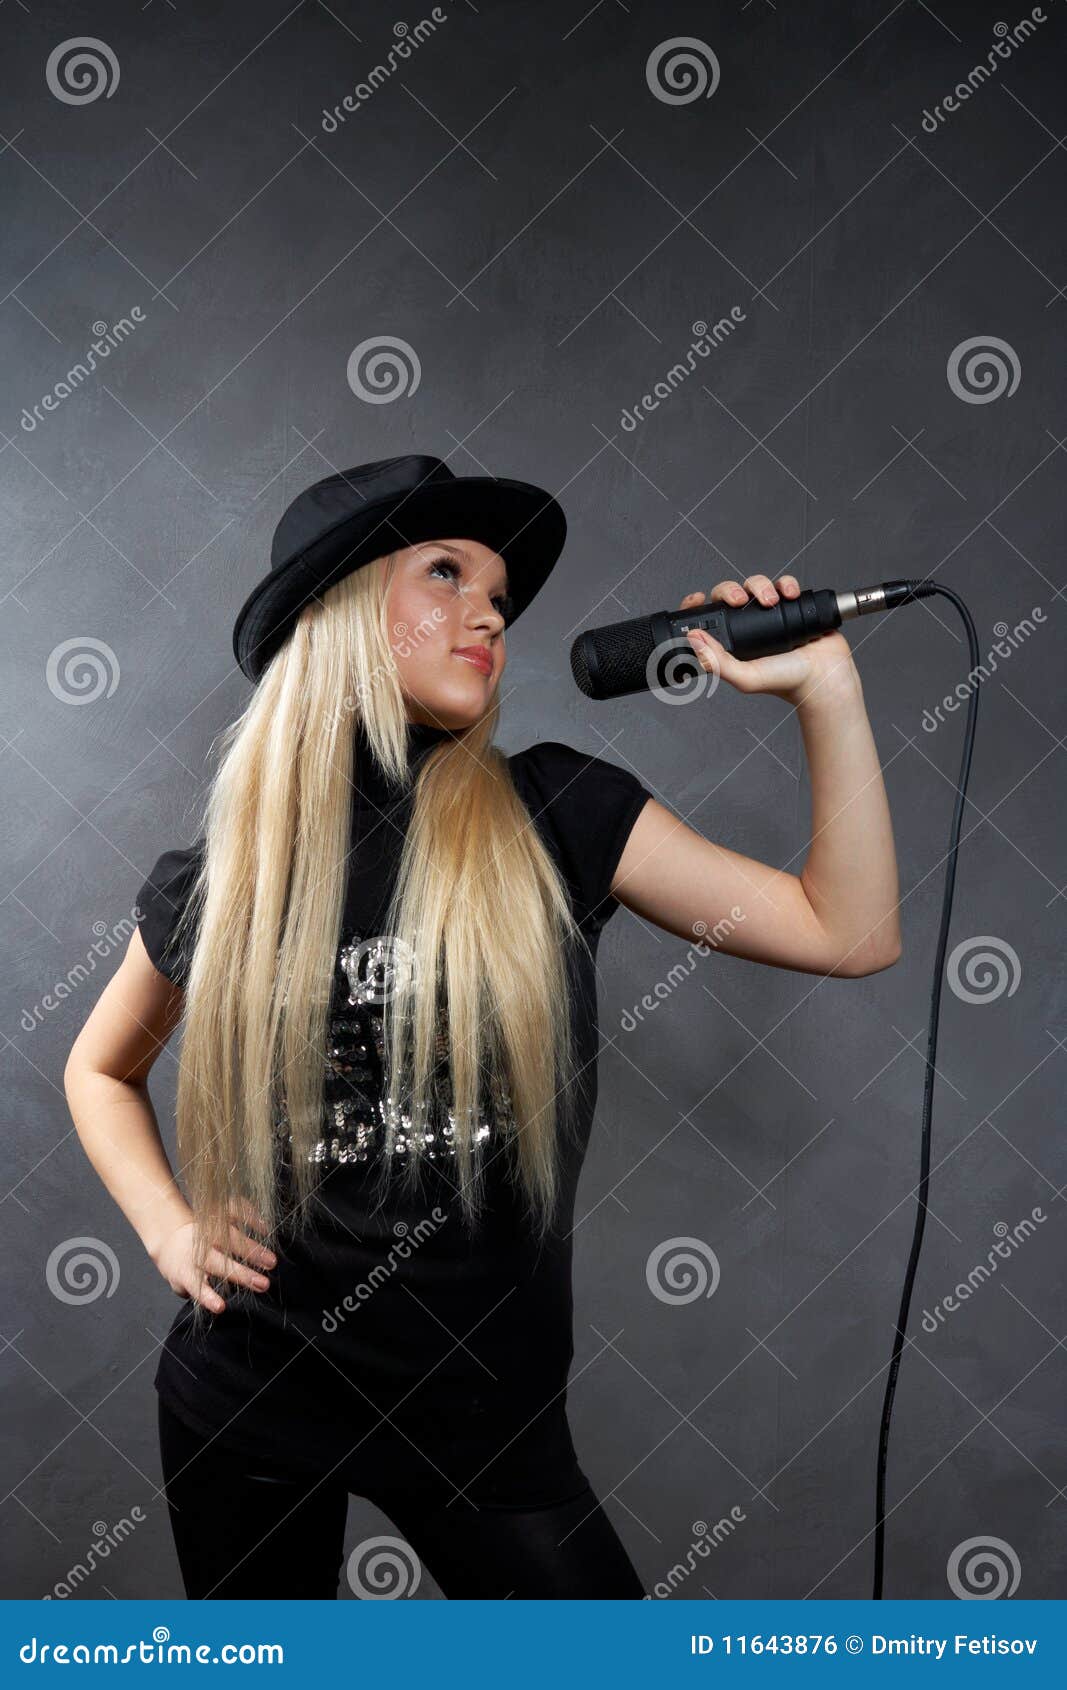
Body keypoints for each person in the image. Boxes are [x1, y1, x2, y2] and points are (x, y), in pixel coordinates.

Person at [64, 454, 902, 1600]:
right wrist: (170, 1233)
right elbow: (100, 1070)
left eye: (499, 597)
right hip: (247, 1398)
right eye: (446, 574)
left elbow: (844, 929)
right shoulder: (226, 880)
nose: (489, 614)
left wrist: (824, 693)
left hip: (484, 1426)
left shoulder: (554, 811)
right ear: (342, 610)